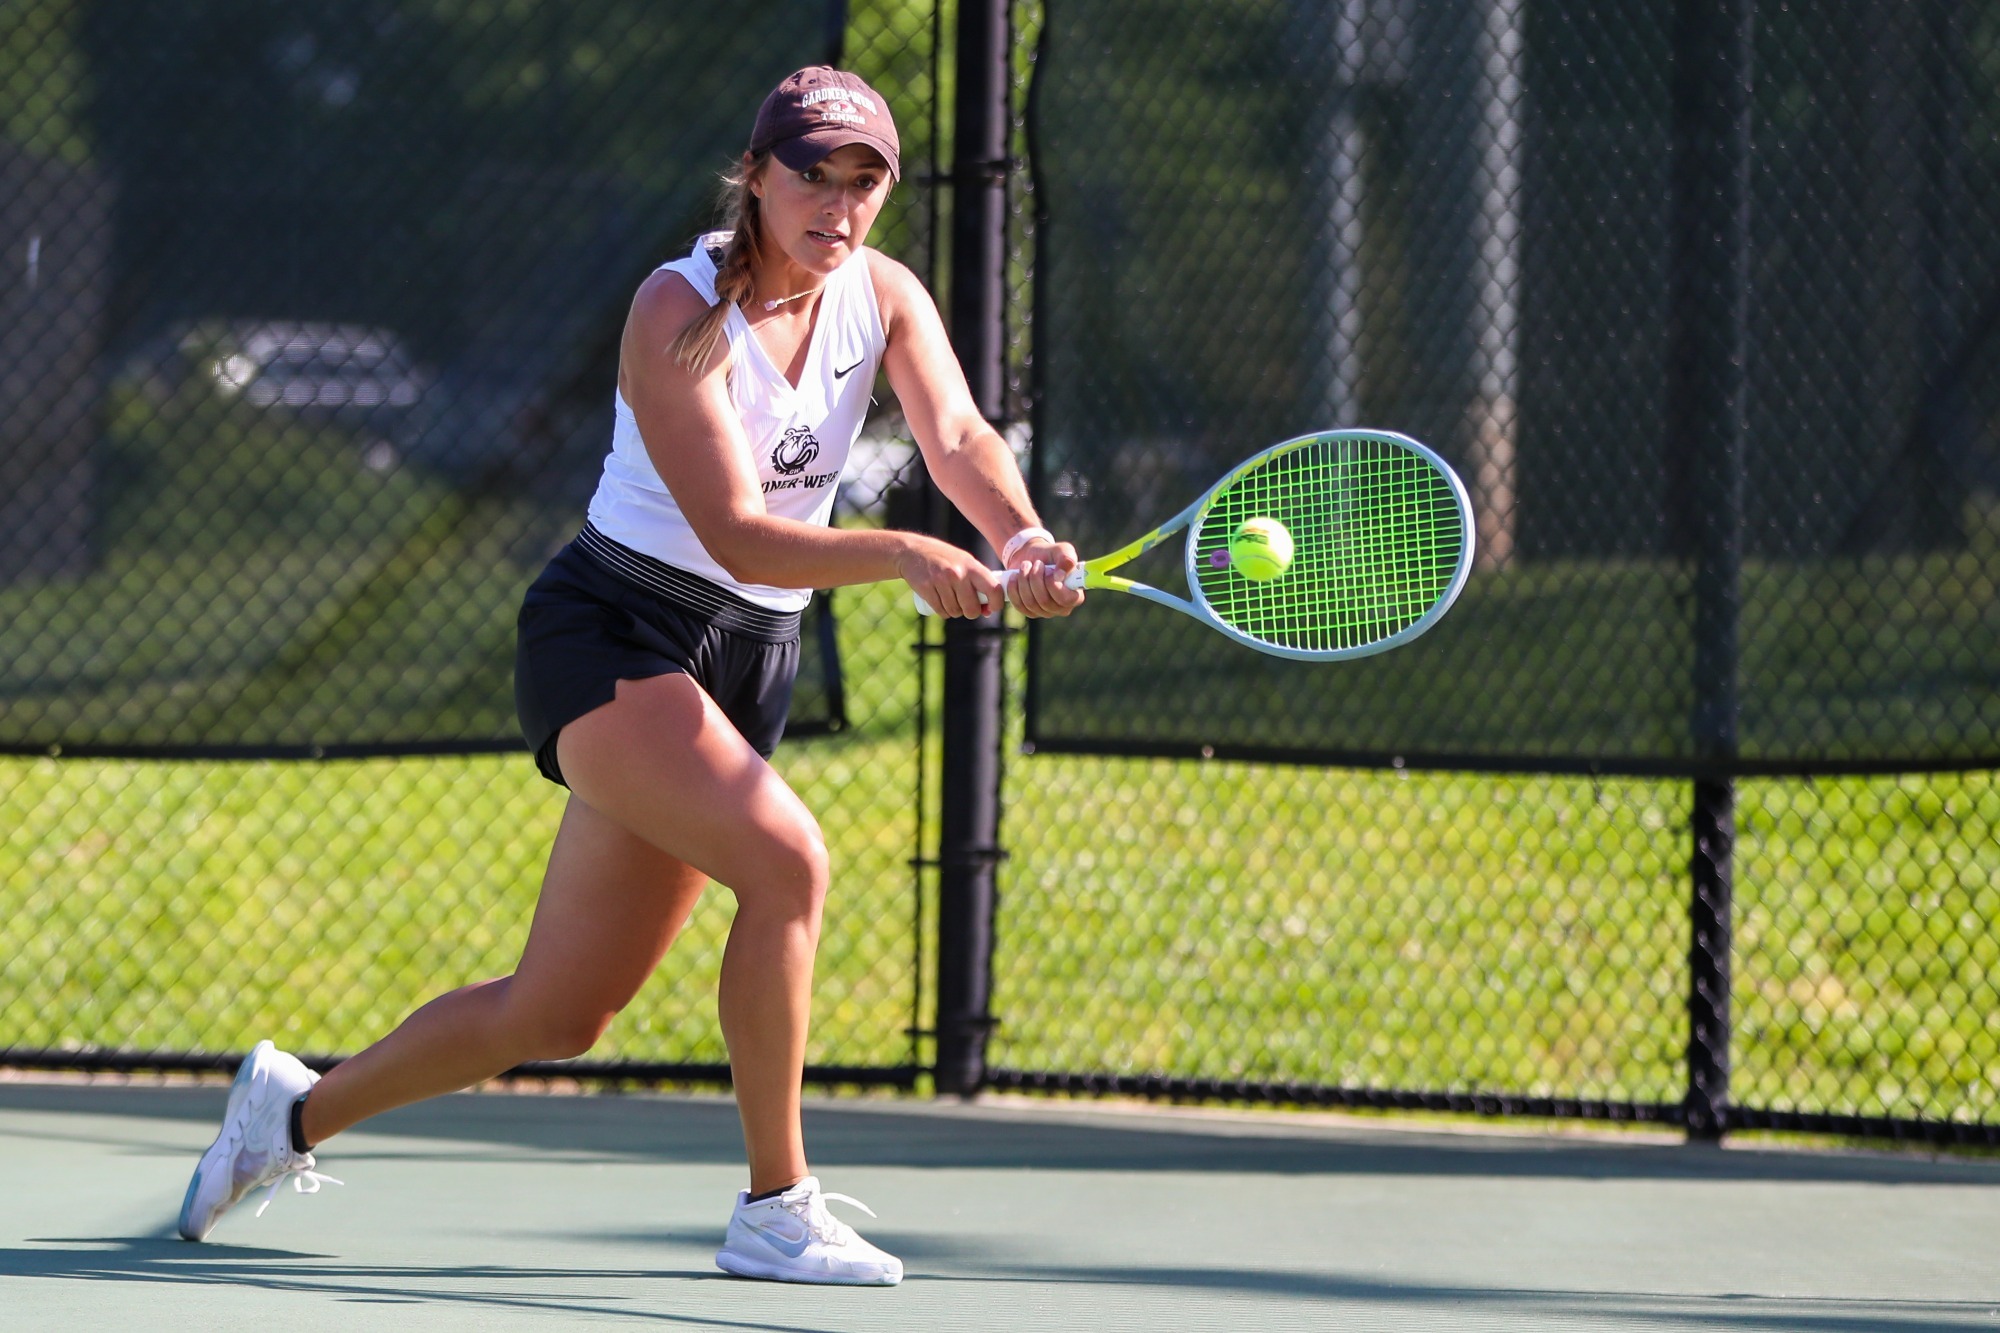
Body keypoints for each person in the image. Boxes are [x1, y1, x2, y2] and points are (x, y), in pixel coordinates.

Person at [175, 65, 1082, 1287]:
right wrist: (908, 554)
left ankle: (285, 1114)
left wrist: (1018, 537)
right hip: (615, 633)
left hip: (748, 659)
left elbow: (958, 435)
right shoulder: (675, 309)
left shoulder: (884, 295)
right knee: (789, 863)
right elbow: (739, 534)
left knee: (556, 1013)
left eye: (863, 180)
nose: (838, 204)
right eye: (811, 174)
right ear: (753, 176)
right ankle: (775, 1208)